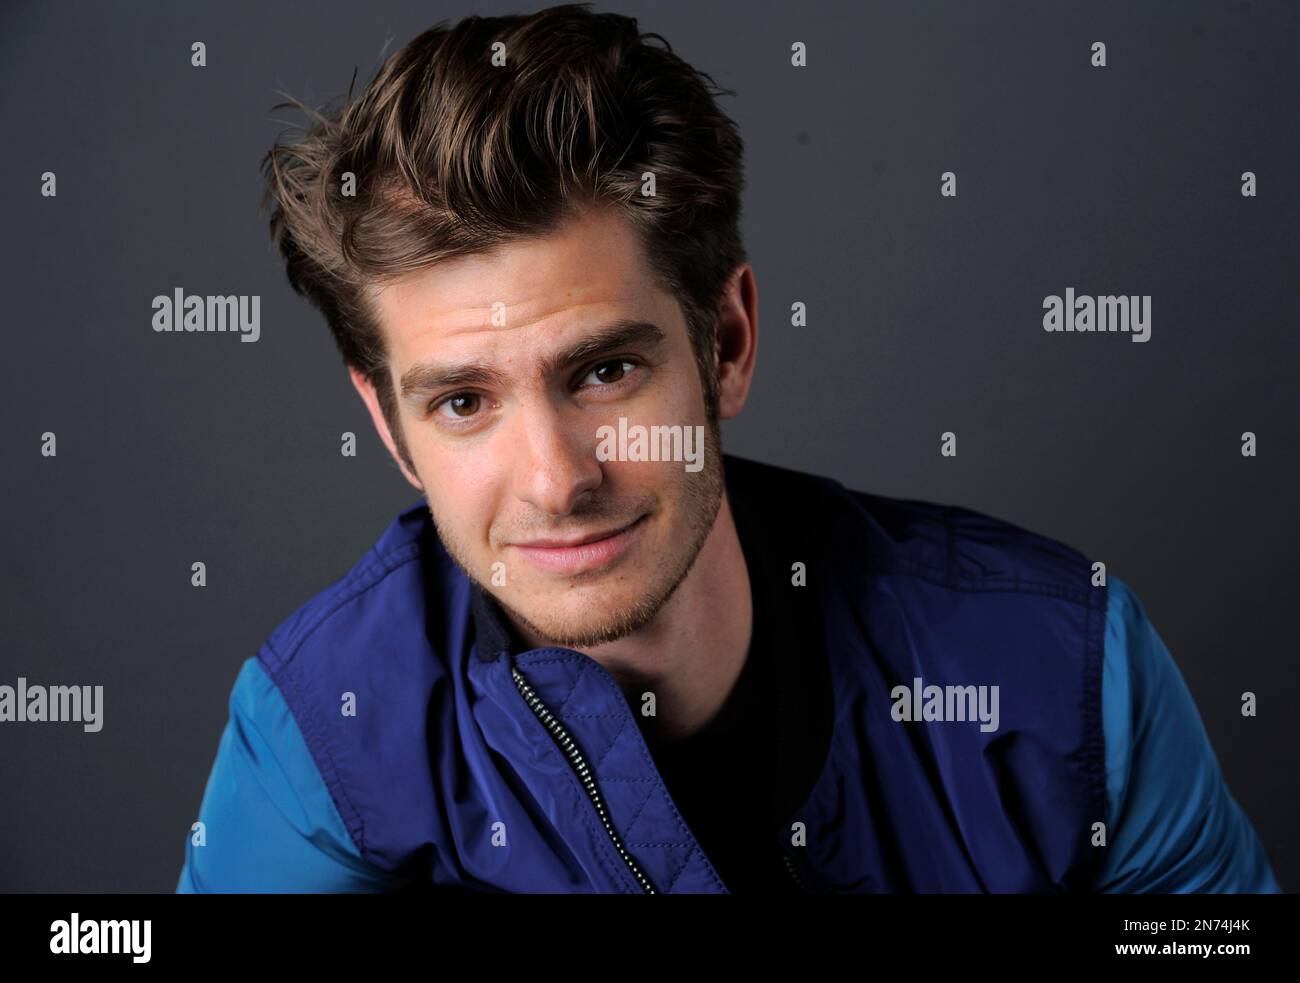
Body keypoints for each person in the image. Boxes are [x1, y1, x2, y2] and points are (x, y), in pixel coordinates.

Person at [177, 4, 1279, 893]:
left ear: (729, 342)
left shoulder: (1065, 674)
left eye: (604, 370)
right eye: (463, 402)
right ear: (391, 430)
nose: (558, 480)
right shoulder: (321, 745)